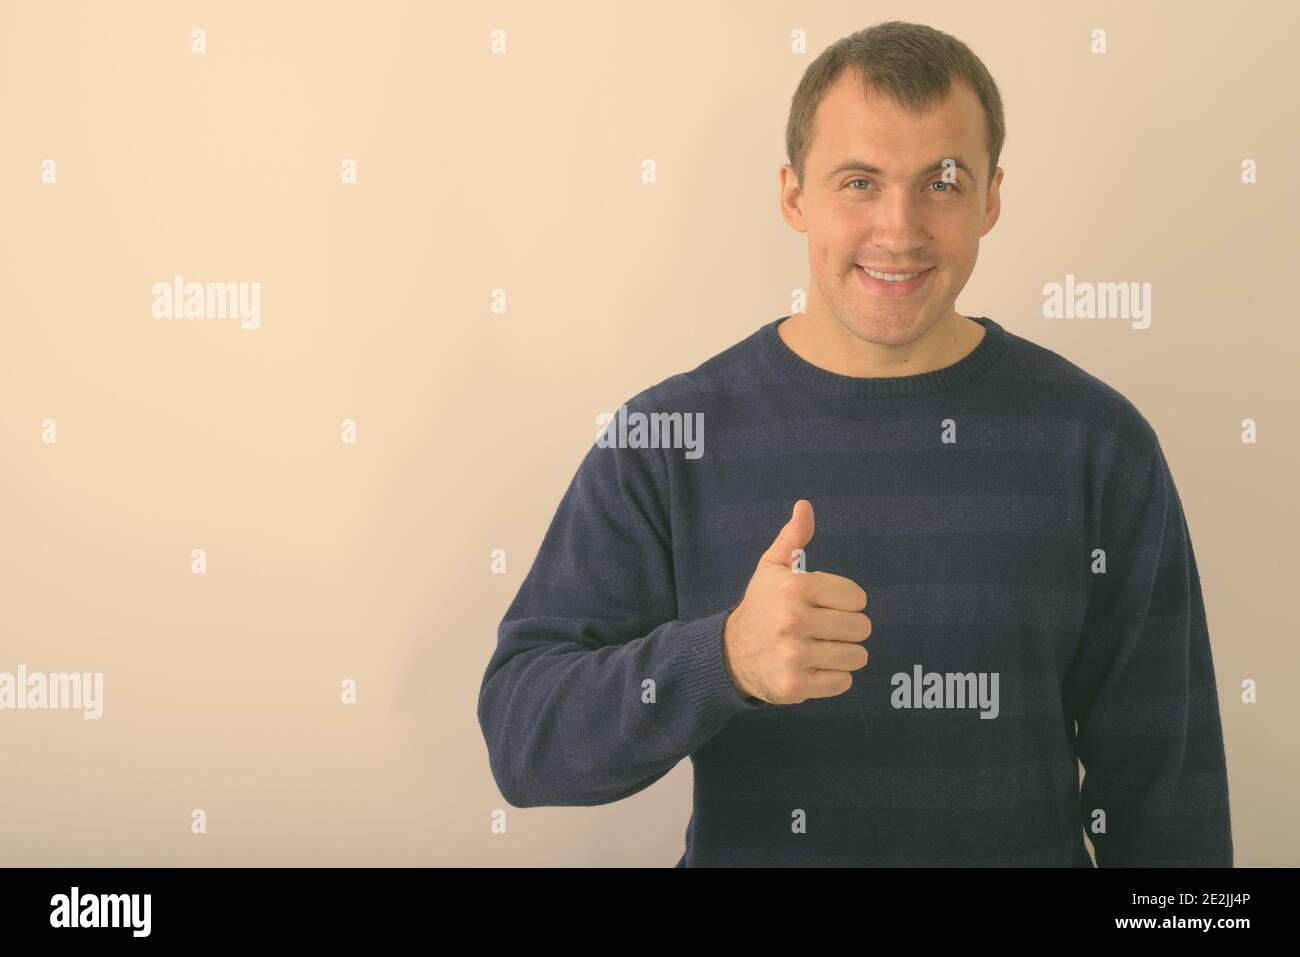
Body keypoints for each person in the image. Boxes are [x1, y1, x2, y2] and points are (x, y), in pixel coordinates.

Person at [476, 20, 1232, 867]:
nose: (900, 229)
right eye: (860, 182)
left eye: (942, 183)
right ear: (795, 195)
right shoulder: (670, 438)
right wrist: (722, 659)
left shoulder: (1099, 444)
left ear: (990, 198)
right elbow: (521, 736)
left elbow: (1168, 790)